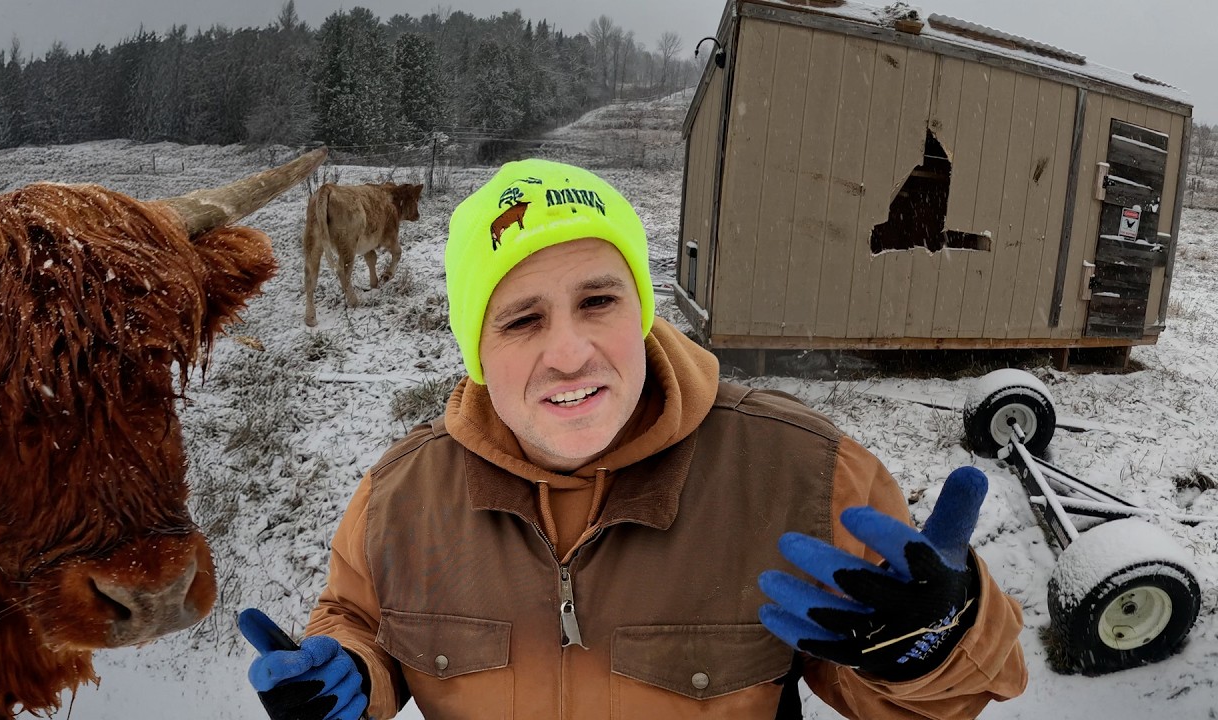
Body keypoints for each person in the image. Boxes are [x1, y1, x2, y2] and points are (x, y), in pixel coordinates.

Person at [239, 159, 1028, 720]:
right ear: (476, 352)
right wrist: (351, 670)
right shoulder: (401, 498)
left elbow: (934, 700)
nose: (569, 352)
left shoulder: (806, 474)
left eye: (598, 301)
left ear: (642, 312)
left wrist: (939, 645)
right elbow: (357, 617)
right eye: (521, 319)